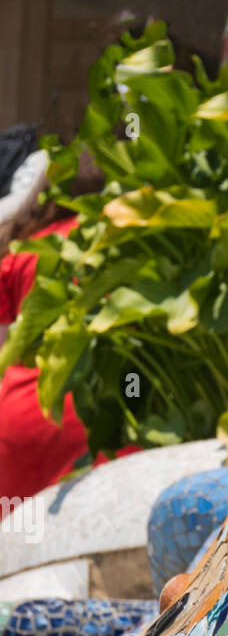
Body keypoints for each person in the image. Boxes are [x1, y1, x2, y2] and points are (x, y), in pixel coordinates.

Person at [0, 147, 137, 506]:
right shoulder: (131, 242)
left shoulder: (21, 252)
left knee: (18, 550)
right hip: (100, 416)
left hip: (20, 421)